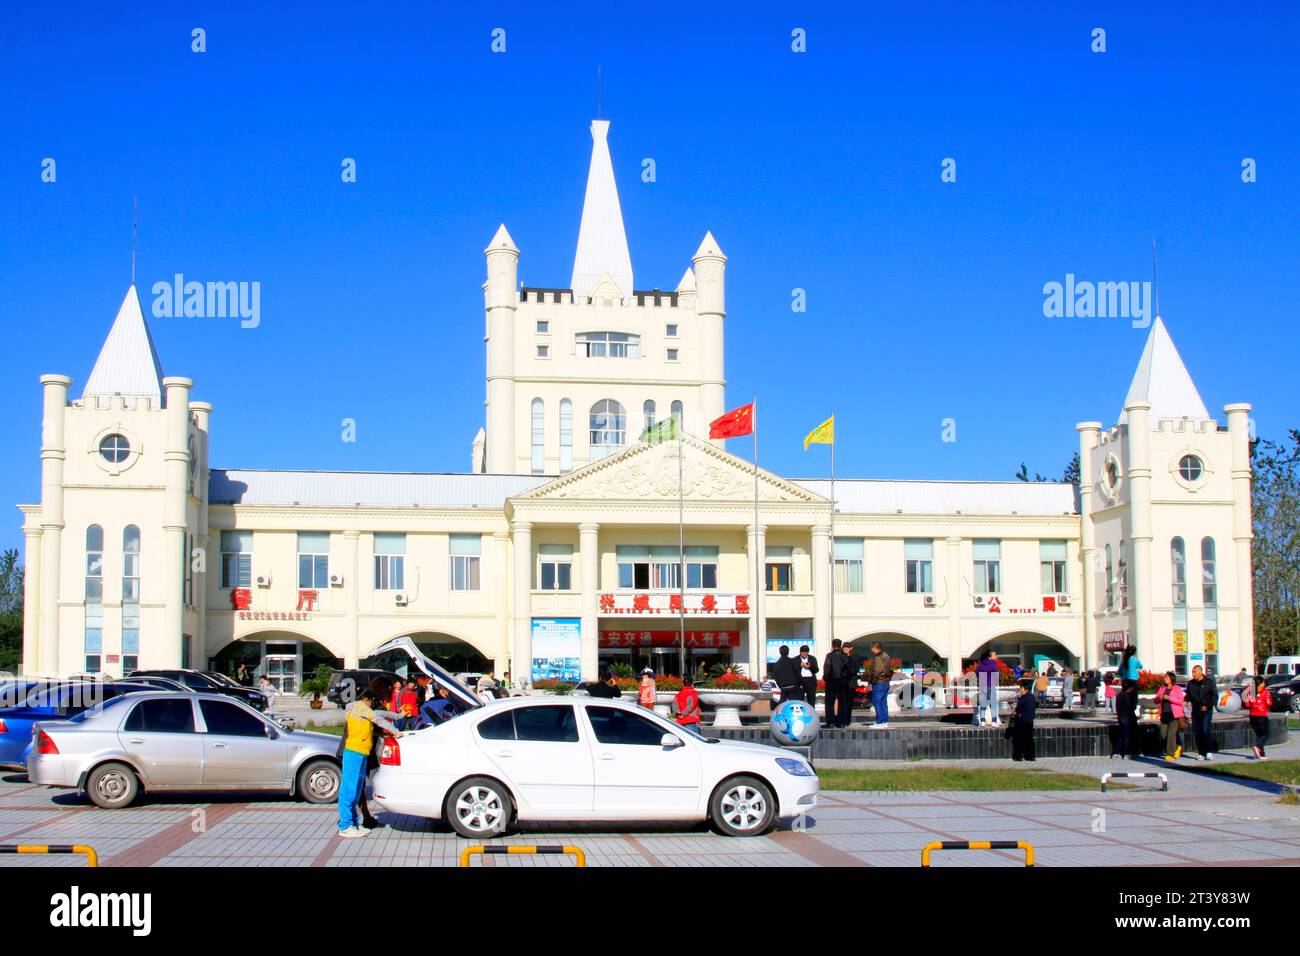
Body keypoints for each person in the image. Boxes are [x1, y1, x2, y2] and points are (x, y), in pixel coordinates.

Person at [337, 682, 403, 838]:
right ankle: (345, 825)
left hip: (362, 754)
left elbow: (381, 714)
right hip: (353, 753)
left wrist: (399, 716)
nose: (373, 704)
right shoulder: (359, 707)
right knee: (349, 790)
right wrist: (395, 732)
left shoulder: (362, 710)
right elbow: (378, 719)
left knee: (357, 790)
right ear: (366, 699)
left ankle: (354, 823)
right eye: (372, 701)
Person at [1185, 664, 1217, 761]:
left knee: (1205, 729)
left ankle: (1209, 751)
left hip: (1206, 710)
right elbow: (1188, 696)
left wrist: (1207, 706)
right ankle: (1201, 752)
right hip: (1196, 710)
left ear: (1200, 672)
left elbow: (1215, 696)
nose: (1193, 674)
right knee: (1197, 731)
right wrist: (1188, 702)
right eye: (1192, 672)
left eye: (1194, 672)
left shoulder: (1209, 682)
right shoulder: (1191, 684)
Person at [1154, 671, 1186, 761]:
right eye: (1165, 677)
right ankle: (1176, 748)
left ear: (1172, 679)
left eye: (1167, 677)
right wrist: (1158, 698)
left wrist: (1169, 698)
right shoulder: (1162, 688)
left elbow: (1180, 701)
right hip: (1164, 714)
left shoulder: (1177, 688)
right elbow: (1155, 700)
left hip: (1174, 714)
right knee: (1163, 734)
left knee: (1171, 734)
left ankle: (1170, 754)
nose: (1165, 679)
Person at [822, 639, 853, 728]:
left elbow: (826, 669)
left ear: (832, 645)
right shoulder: (844, 656)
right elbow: (850, 669)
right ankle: (841, 722)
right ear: (841, 646)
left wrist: (827, 679)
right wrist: (846, 678)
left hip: (831, 681)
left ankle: (830, 722)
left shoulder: (829, 656)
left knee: (829, 703)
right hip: (843, 681)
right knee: (842, 702)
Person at [867, 641, 893, 729]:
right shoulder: (886, 655)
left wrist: (871, 680)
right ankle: (884, 721)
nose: (871, 650)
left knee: (877, 702)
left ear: (874, 648)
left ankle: (879, 722)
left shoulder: (878, 657)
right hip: (885, 682)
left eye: (871, 648)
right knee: (883, 702)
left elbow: (876, 671)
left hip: (879, 682)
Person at [1247, 677, 1272, 759]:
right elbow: (1269, 703)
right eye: (1263, 682)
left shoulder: (1251, 692)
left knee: (1259, 735)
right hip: (1262, 715)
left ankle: (1261, 754)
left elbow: (1247, 704)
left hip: (1252, 716)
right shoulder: (1265, 692)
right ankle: (1258, 746)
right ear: (1261, 684)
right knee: (1265, 734)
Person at [1012, 679, 1037, 761]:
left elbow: (1023, 708)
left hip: (1024, 721)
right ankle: (1029, 756)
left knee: (1022, 739)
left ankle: (1021, 756)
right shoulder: (1028, 697)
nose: (1020, 690)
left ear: (1025, 689)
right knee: (1028, 739)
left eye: (1021, 688)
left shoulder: (1028, 698)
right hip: (1027, 720)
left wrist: (1018, 709)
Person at [974, 651, 1001, 727]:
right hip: (991, 685)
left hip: (982, 685)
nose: (996, 656)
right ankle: (994, 722)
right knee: (993, 704)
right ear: (989, 657)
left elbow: (977, 672)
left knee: (983, 704)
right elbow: (996, 674)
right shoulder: (993, 664)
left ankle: (982, 722)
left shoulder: (981, 664)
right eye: (994, 655)